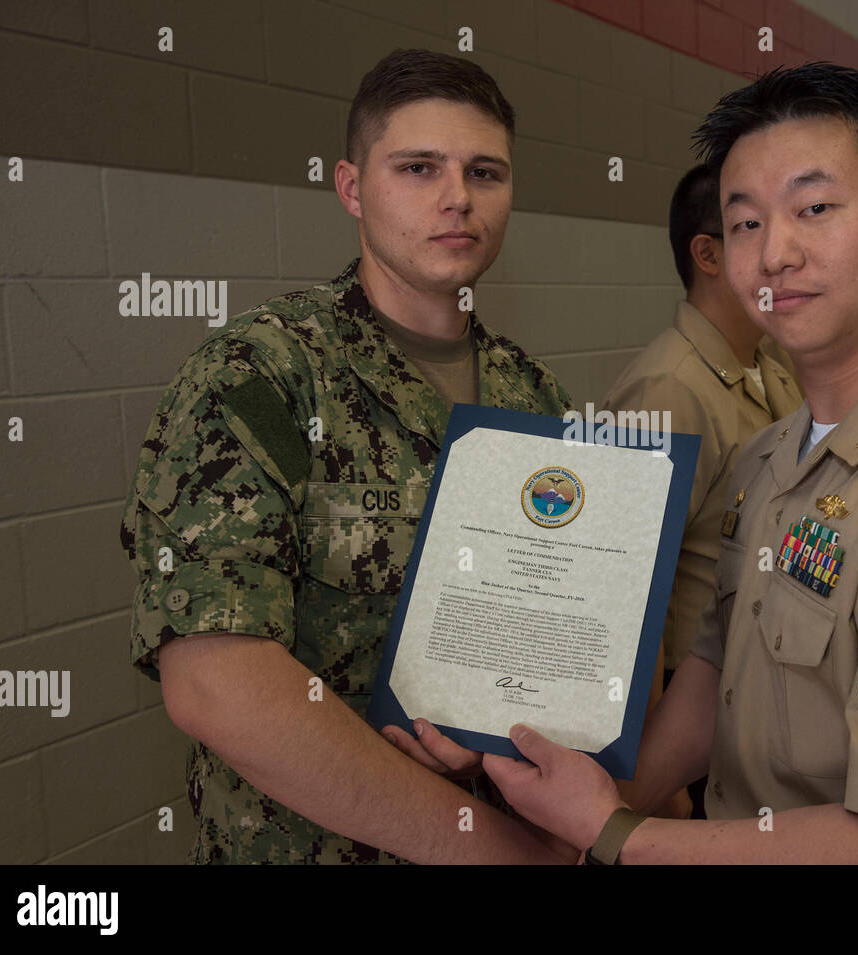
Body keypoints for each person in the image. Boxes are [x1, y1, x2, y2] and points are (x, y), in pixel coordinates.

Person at [451, 63, 858, 864]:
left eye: (815, 208)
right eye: (746, 224)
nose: (776, 254)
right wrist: (587, 797)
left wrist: (617, 832)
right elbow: (714, 670)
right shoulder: (774, 454)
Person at [120, 49, 576, 864]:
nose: (457, 198)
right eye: (418, 167)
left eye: (485, 172)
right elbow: (215, 680)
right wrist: (492, 850)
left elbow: (550, 634)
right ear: (352, 188)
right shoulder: (262, 377)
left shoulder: (532, 395)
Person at [602, 163, 804, 818]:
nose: (782, 254)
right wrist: (648, 782)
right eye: (752, 228)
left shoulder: (771, 370)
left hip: (754, 710)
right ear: (708, 253)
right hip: (688, 729)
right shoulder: (668, 390)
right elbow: (624, 602)